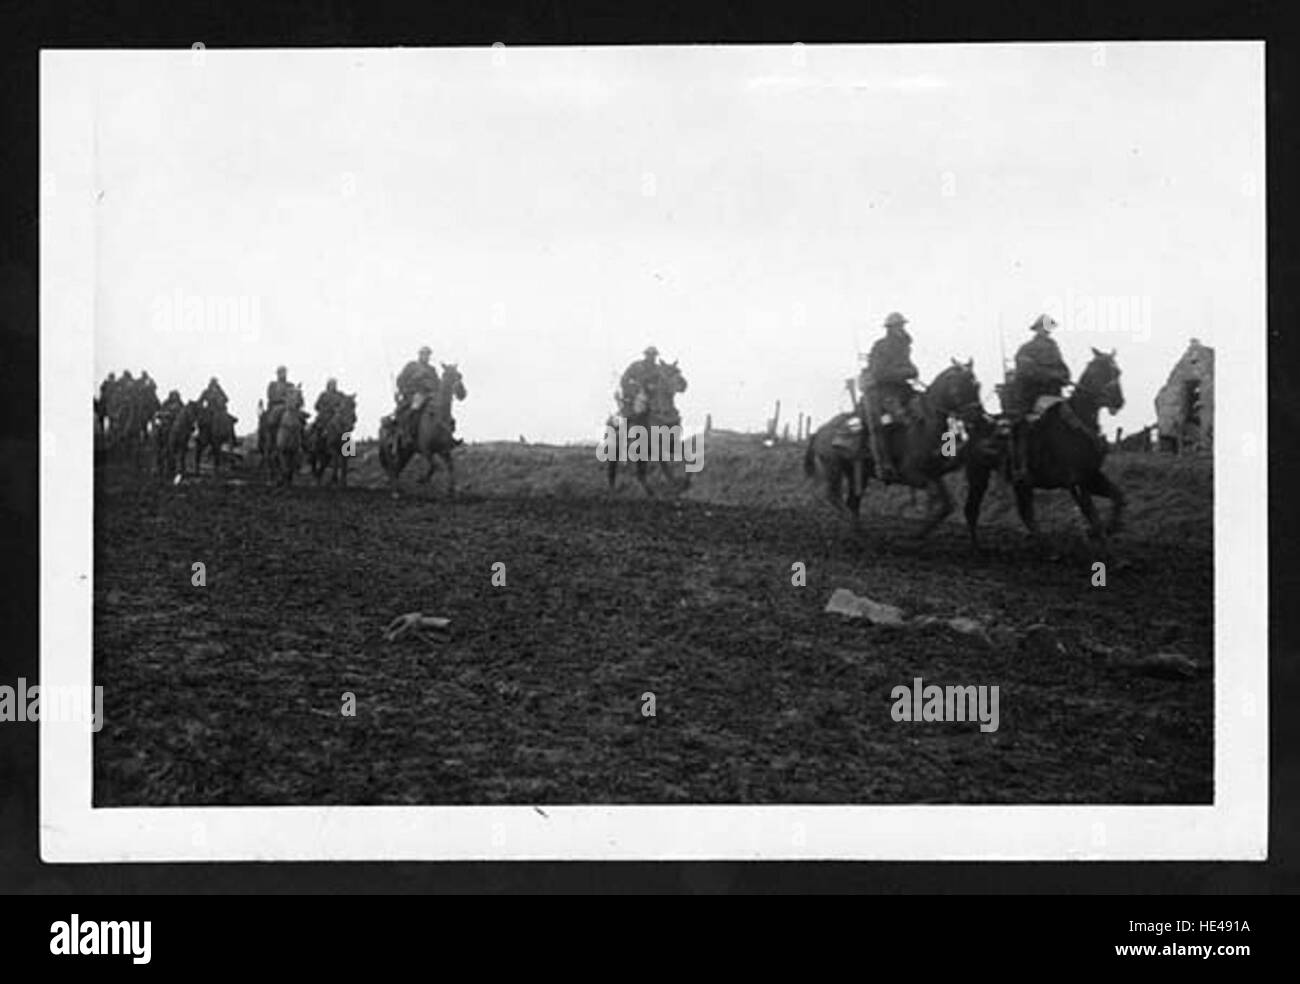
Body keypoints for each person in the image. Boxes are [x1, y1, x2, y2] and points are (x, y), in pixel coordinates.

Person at [1008, 314, 1070, 479]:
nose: (1047, 331)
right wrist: (1049, 375)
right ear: (1037, 329)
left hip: (1054, 396)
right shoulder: (1026, 348)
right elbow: (1025, 371)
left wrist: (1063, 377)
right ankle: (1021, 466)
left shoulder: (1055, 348)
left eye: (1049, 327)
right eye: (1044, 327)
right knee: (1023, 428)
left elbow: (1064, 370)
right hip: (1031, 397)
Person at [859, 312, 919, 482]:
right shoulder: (880, 346)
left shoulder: (905, 346)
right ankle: (883, 465)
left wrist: (909, 371)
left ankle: (948, 451)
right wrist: (903, 373)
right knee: (884, 423)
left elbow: (912, 369)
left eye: (902, 325)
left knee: (932, 410)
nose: (901, 329)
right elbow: (879, 373)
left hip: (903, 390)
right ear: (890, 329)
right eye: (898, 326)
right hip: (882, 393)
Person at [394, 347, 441, 443]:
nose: (426, 356)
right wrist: (403, 390)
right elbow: (400, 380)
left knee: (443, 408)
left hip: (431, 395)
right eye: (424, 354)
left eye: (428, 354)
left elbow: (438, 383)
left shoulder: (432, 370)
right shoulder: (412, 366)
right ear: (419, 355)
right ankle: (409, 434)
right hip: (415, 394)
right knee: (415, 408)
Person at [619, 346, 661, 417]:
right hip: (636, 397)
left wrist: (654, 387)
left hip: (654, 399)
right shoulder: (636, 366)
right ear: (645, 355)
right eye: (649, 354)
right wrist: (635, 390)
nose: (651, 357)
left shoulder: (659, 370)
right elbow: (624, 380)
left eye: (653, 354)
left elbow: (664, 385)